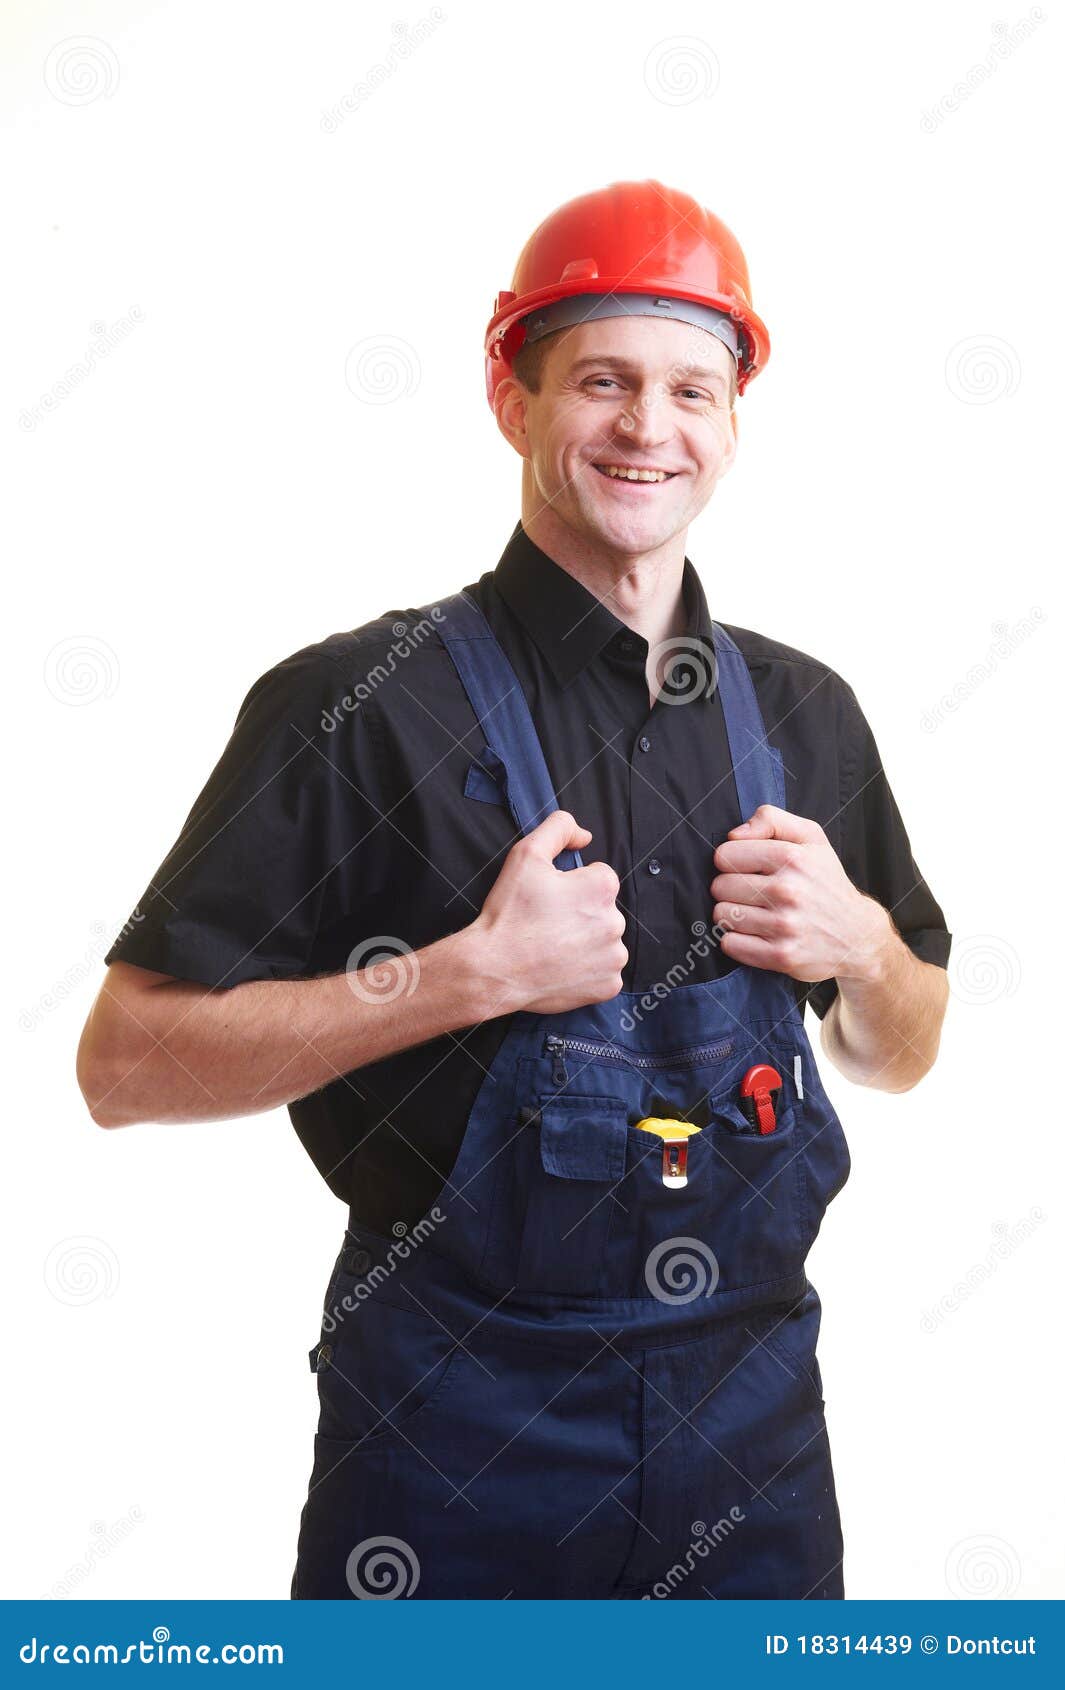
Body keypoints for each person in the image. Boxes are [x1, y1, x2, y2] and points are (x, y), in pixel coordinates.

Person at [77, 180, 951, 1600]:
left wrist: (860, 948)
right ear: (511, 399)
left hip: (754, 1452)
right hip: (455, 1450)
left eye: (691, 389)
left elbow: (901, 1048)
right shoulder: (360, 706)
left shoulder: (809, 714)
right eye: (602, 380)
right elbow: (123, 1065)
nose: (647, 427)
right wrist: (461, 977)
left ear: (733, 422)